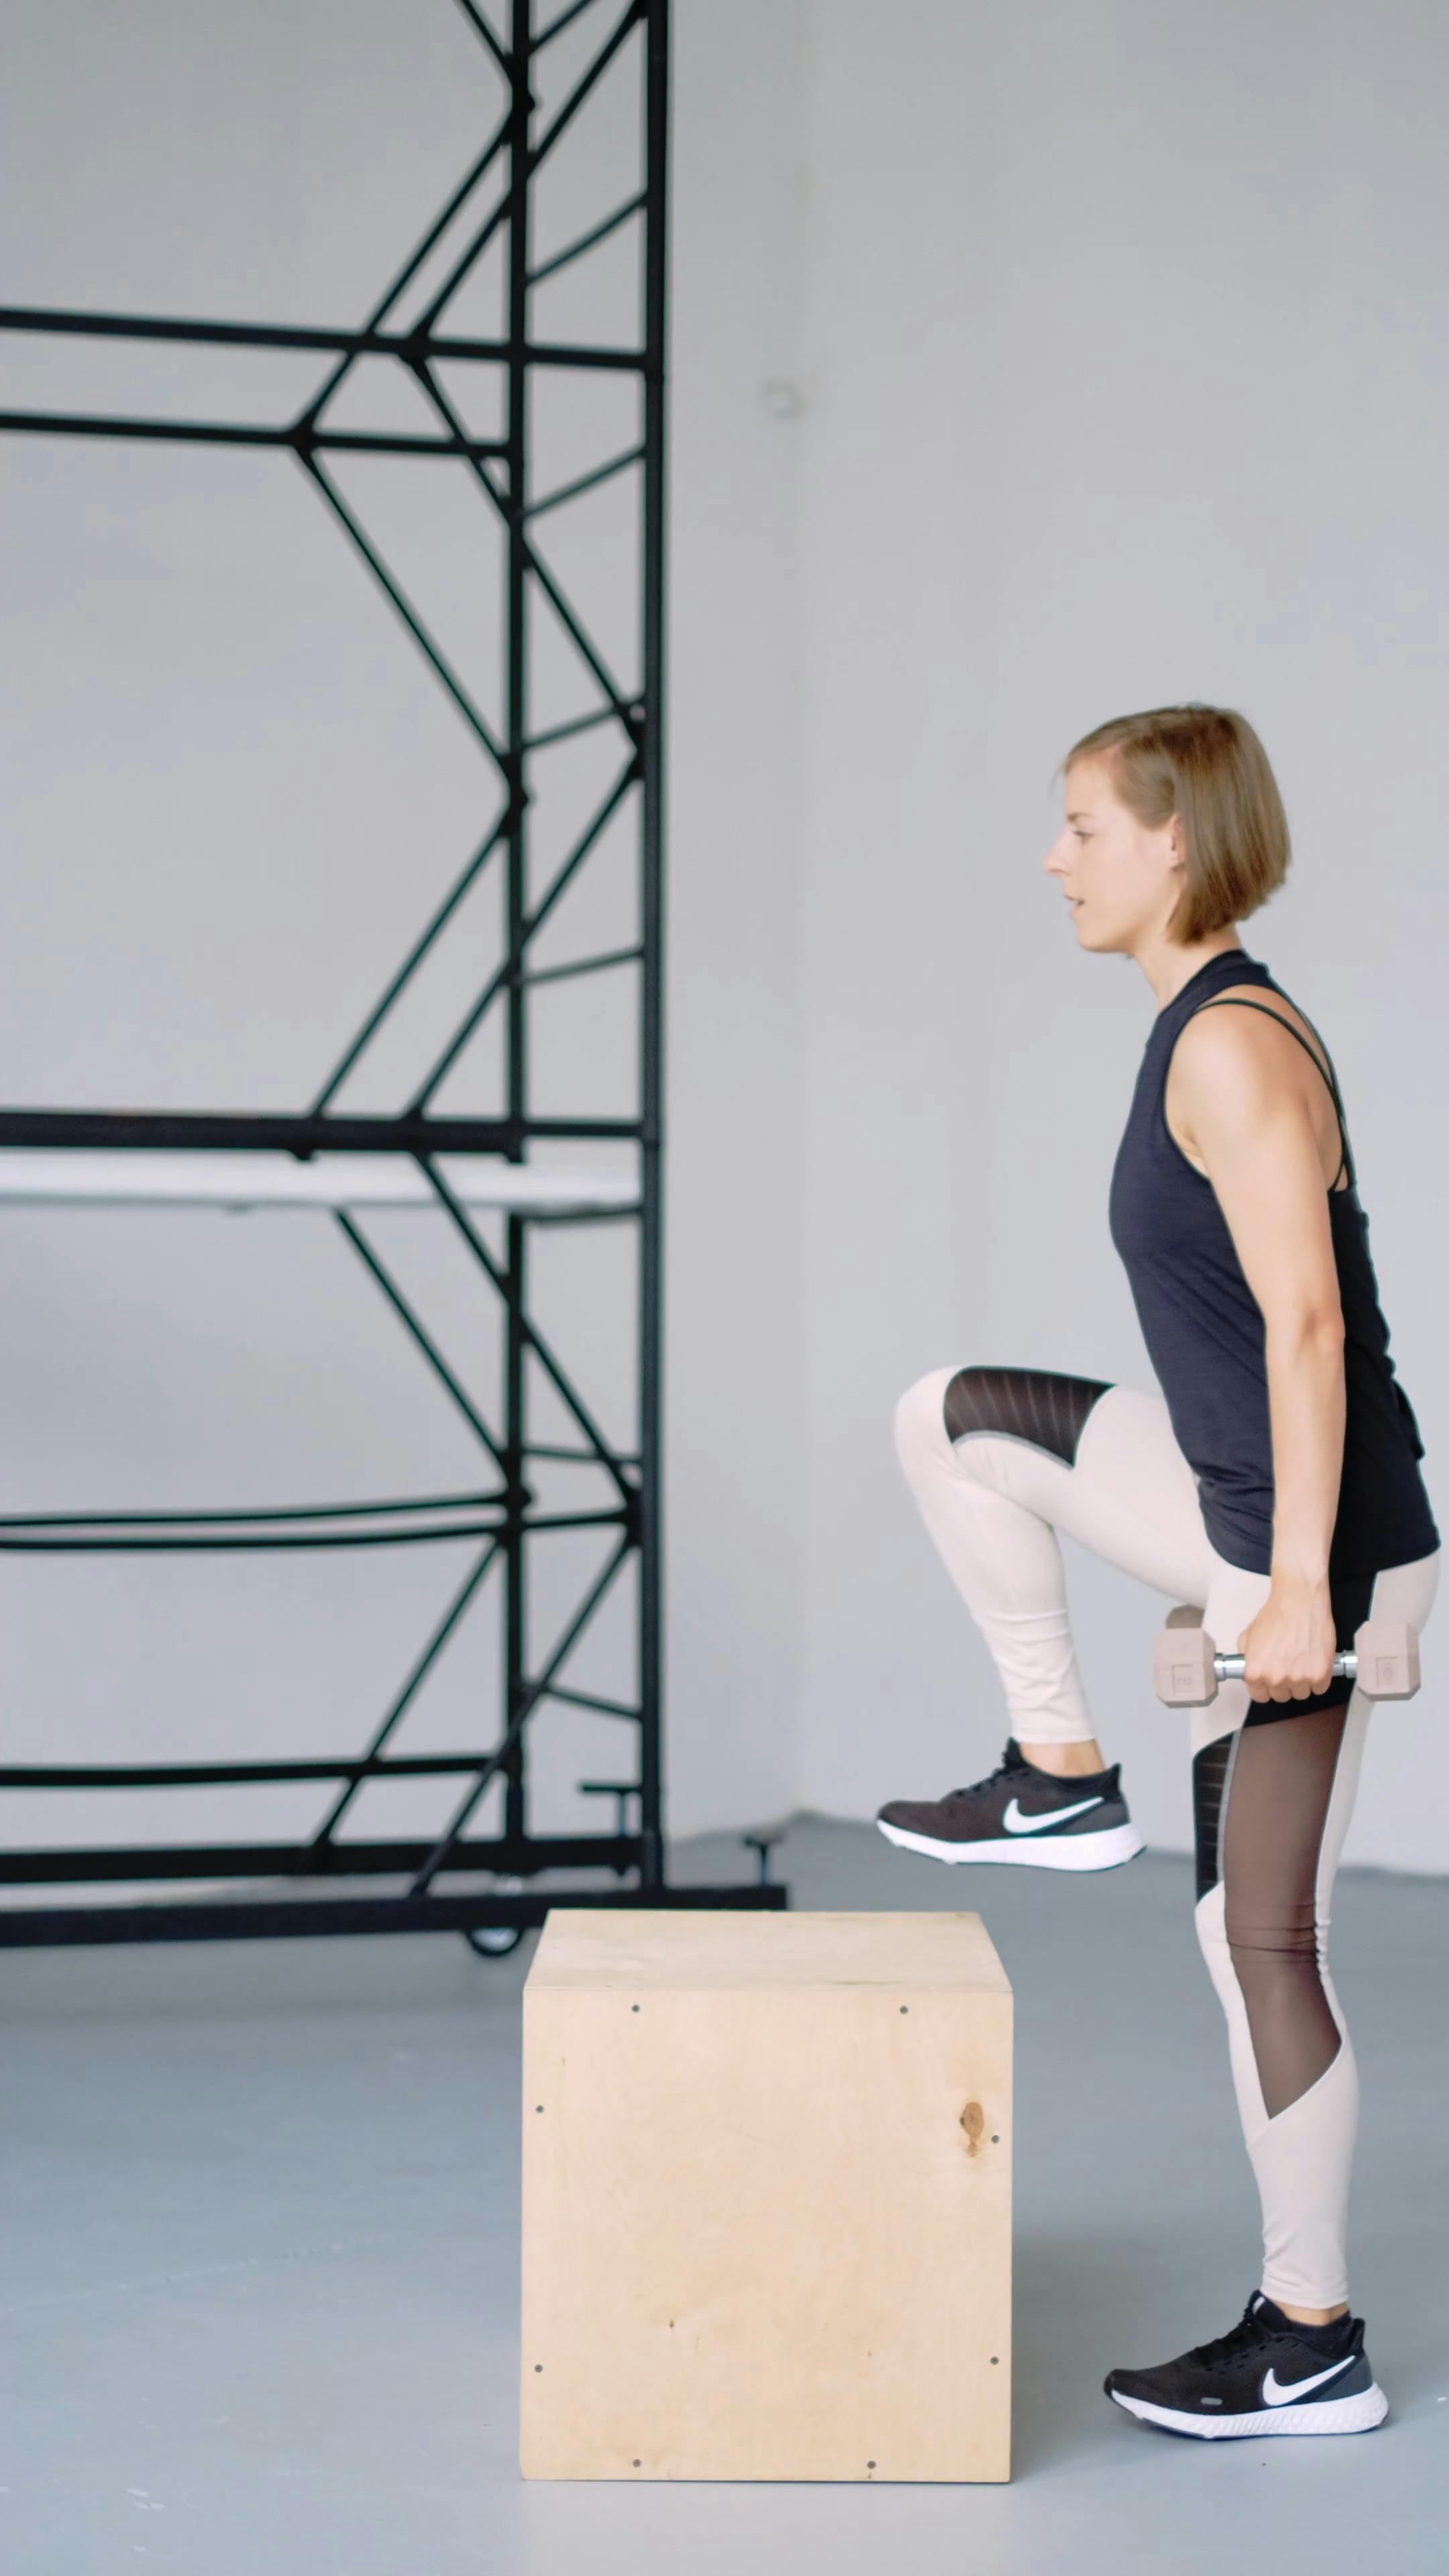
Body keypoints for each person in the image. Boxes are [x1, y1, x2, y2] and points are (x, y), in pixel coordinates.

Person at [882, 704, 1440, 2442]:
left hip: (1320, 1537)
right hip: (1242, 1500)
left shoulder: (1234, 1049)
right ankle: (1056, 1772)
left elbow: (1310, 1321)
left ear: (1173, 842)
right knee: (955, 1418)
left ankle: (1313, 2339)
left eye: (1082, 828)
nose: (1056, 857)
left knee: (1260, 1938)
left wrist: (1290, 1595)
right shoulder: (1194, 1027)